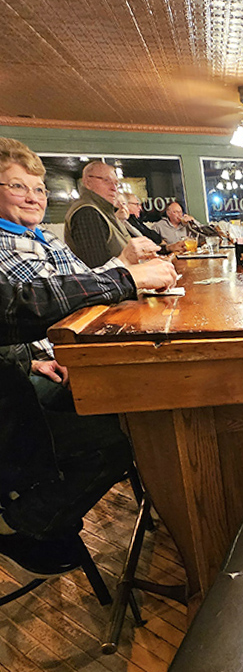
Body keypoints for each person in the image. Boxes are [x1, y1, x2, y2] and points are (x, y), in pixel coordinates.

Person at [0, 137, 177, 575]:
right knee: (119, 434)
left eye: (38, 189)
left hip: (54, 357)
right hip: (18, 386)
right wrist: (27, 357)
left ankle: (169, 498)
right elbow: (24, 305)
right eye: (17, 187)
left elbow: (76, 285)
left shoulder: (40, 237)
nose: (33, 197)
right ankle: (25, 522)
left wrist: (123, 265)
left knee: (139, 401)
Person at [65, 161, 159, 267]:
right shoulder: (87, 213)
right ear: (87, 182)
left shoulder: (104, 211)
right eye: (106, 180)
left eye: (116, 184)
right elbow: (100, 272)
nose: (114, 188)